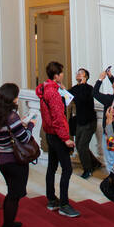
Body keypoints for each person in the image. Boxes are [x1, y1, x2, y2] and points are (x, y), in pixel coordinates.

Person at [0, 82, 35, 227]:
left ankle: (8, 223)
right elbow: (24, 139)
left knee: (11, 192)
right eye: (16, 96)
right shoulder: (11, 116)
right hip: (15, 161)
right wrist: (30, 126)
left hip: (2, 159)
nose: (17, 98)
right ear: (11, 99)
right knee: (14, 195)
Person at [36, 61, 80, 217]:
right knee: (67, 169)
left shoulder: (46, 89)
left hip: (49, 133)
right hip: (57, 135)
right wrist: (66, 138)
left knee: (52, 167)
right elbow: (58, 118)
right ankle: (64, 204)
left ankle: (51, 199)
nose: (63, 75)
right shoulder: (53, 94)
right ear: (56, 76)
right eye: (61, 73)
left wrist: (61, 89)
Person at [69, 68, 100, 178]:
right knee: (79, 144)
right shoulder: (75, 88)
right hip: (79, 121)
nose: (78, 74)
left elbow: (82, 99)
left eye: (81, 73)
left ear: (86, 77)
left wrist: (81, 85)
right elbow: (67, 95)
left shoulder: (89, 88)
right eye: (77, 72)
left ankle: (88, 169)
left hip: (89, 121)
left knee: (82, 146)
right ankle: (95, 163)